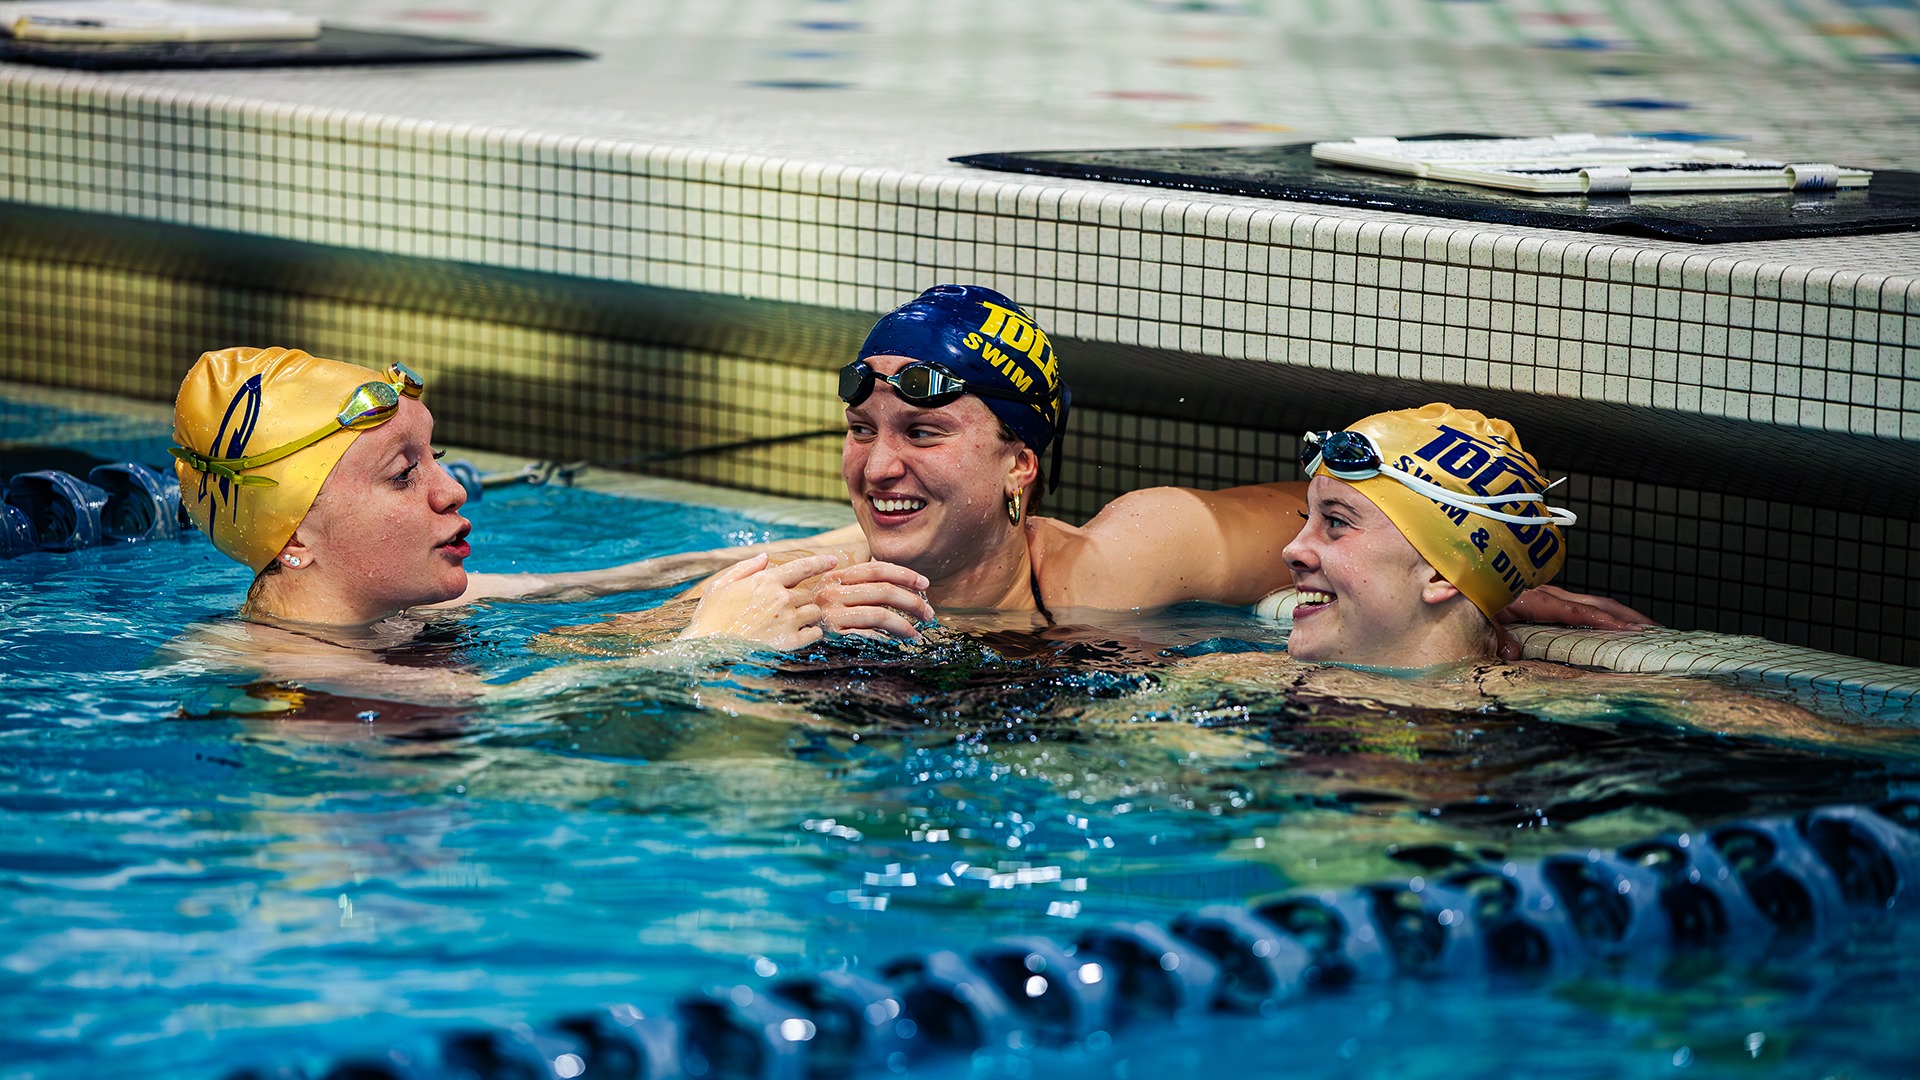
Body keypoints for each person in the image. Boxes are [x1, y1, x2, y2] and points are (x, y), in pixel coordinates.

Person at [580, 285, 1650, 647]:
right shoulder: (793, 596)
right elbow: (551, 681)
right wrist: (703, 652)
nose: (877, 464)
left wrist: (1473, 569)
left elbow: (1350, 507)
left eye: (922, 431)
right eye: (863, 429)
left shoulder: (1118, 565)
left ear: (1019, 466)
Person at [164, 346, 923, 703]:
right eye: (404, 475)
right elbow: (532, 707)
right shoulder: (280, 665)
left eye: (438, 458)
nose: (450, 493)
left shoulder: (400, 610)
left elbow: (623, 579)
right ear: (294, 535)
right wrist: (715, 643)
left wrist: (856, 541)